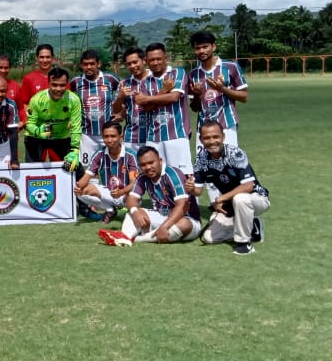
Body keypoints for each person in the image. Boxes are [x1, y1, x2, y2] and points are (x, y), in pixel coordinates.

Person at [186, 121, 269, 255]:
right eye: (207, 138)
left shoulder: (235, 153)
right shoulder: (201, 158)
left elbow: (249, 185)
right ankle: (252, 226)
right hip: (230, 203)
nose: (212, 141)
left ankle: (244, 243)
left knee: (240, 198)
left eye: (215, 137)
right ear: (201, 139)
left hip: (257, 198)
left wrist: (221, 199)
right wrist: (191, 188)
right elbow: (198, 191)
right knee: (207, 238)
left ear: (223, 137)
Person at [97, 146, 201, 246]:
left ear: (160, 161)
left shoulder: (172, 174)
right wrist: (135, 212)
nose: (148, 167)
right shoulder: (142, 177)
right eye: (143, 165)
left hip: (186, 219)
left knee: (184, 224)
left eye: (151, 163)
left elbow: (182, 205)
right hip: (161, 216)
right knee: (133, 212)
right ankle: (125, 237)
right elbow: (131, 199)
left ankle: (137, 239)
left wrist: (165, 226)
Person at [134, 43, 193, 176]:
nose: (155, 63)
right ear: (146, 61)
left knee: (182, 175)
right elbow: (147, 108)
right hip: (154, 137)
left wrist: (148, 98)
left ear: (166, 58)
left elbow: (174, 97)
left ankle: (187, 198)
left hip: (176, 135)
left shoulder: (178, 72)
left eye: (159, 58)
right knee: (157, 177)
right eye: (151, 60)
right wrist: (164, 90)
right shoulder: (145, 82)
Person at [187, 30, 249, 151]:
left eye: (205, 47)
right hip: (204, 127)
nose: (202, 51)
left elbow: (244, 96)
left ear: (213, 46)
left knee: (230, 163)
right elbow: (195, 108)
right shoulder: (193, 74)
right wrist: (197, 95)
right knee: (204, 167)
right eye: (198, 48)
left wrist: (222, 89)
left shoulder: (230, 67)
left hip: (227, 125)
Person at [74, 121, 139, 223]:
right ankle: (110, 210)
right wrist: (78, 187)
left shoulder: (131, 155)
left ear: (120, 137)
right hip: (108, 193)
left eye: (113, 136)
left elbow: (134, 183)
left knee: (134, 197)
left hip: (125, 194)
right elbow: (87, 177)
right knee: (81, 192)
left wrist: (121, 192)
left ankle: (129, 212)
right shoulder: (99, 154)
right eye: (106, 136)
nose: (109, 140)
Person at [71, 49, 120, 167]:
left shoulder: (110, 79)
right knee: (87, 168)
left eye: (92, 64)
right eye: (85, 64)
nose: (89, 67)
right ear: (81, 65)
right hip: (87, 135)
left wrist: (122, 113)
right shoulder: (76, 82)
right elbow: (66, 100)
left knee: (112, 166)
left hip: (108, 134)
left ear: (99, 64)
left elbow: (126, 95)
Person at [23, 67, 81, 164]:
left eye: (62, 85)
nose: (58, 89)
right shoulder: (37, 99)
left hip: (61, 137)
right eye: (54, 85)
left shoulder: (74, 100)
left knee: (74, 169)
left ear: (67, 83)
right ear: (48, 83)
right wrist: (38, 132)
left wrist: (75, 149)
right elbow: (29, 124)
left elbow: (76, 126)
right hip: (36, 138)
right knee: (32, 171)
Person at [112, 47, 151, 152]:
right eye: (129, 64)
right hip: (131, 137)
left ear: (144, 61)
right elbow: (115, 110)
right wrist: (120, 97)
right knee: (131, 168)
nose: (132, 66)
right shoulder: (124, 83)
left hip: (154, 136)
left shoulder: (154, 79)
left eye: (135, 62)